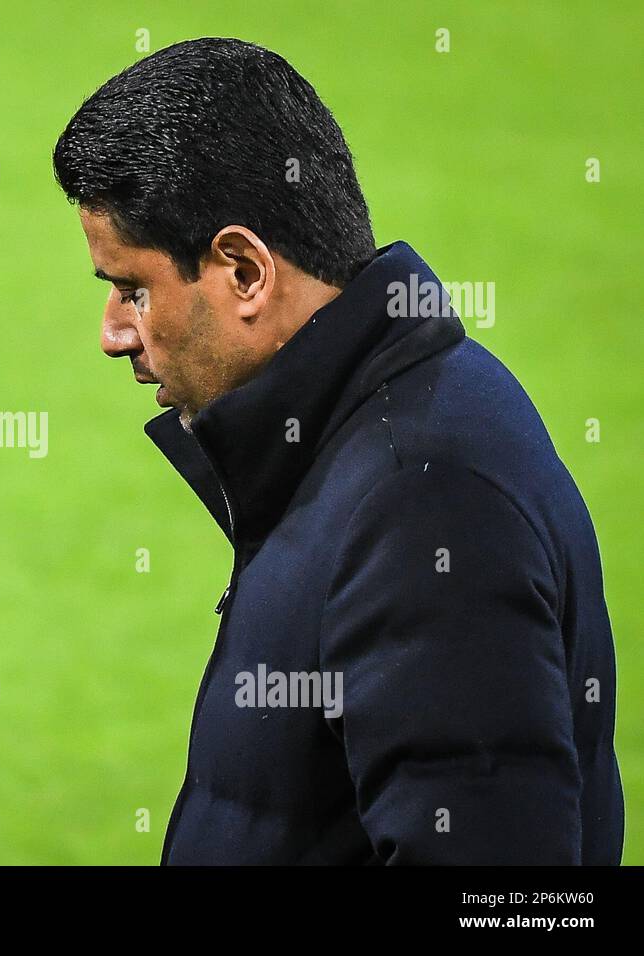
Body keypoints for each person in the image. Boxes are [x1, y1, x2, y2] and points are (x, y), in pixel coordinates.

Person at [53, 38, 623, 864]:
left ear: (245, 271)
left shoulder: (424, 507)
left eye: (133, 289)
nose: (113, 334)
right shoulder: (370, 429)